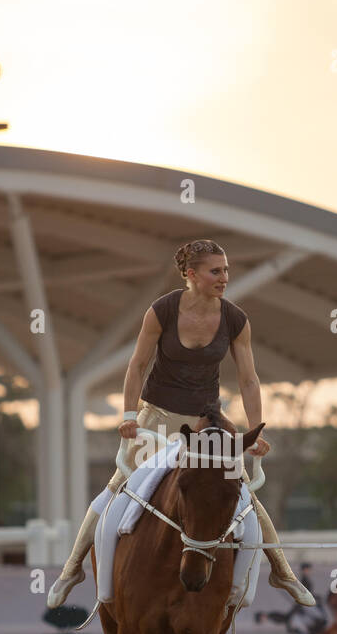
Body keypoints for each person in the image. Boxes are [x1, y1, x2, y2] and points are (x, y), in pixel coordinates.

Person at [47, 238, 316, 609]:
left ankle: (281, 571)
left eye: (226, 270)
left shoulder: (236, 319)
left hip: (207, 423)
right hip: (157, 416)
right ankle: (72, 568)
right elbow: (137, 365)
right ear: (191, 274)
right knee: (117, 488)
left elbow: (249, 380)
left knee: (244, 494)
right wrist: (128, 417)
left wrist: (257, 433)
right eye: (215, 271)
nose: (225, 277)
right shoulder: (162, 310)